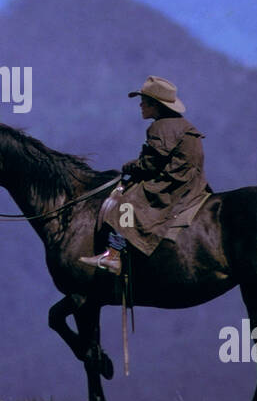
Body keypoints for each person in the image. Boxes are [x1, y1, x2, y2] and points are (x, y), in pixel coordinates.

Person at [80, 76, 210, 276]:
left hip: (173, 183)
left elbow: (151, 165)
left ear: (156, 105)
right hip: (194, 182)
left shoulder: (160, 127)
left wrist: (131, 166)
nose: (140, 105)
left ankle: (113, 256)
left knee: (124, 206)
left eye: (145, 101)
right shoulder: (183, 125)